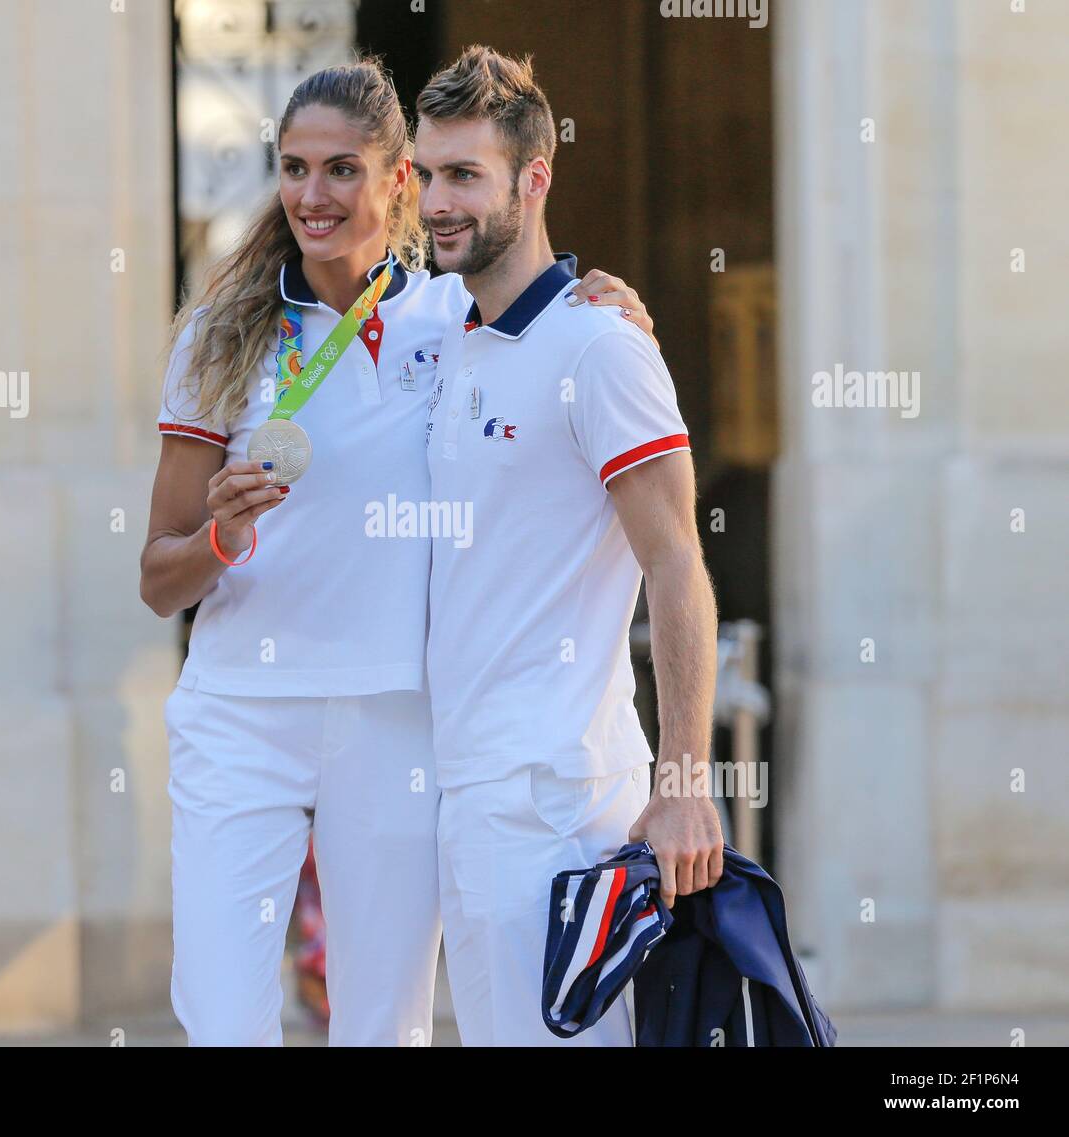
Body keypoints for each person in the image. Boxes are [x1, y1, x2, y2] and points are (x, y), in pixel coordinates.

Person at [139, 57, 654, 1046]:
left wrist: (606, 305)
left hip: (395, 718)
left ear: (398, 182)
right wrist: (220, 533)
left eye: (341, 169)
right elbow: (160, 580)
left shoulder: (459, 318)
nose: (311, 194)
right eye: (293, 168)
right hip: (239, 717)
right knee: (223, 1021)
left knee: (382, 1027)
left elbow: (566, 365)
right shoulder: (217, 337)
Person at [413, 45, 724, 1046]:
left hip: (559, 809)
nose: (434, 201)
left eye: (463, 175)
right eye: (424, 173)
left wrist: (683, 787)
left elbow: (678, 563)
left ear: (532, 179)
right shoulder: (452, 339)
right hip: (472, 800)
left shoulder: (599, 348)